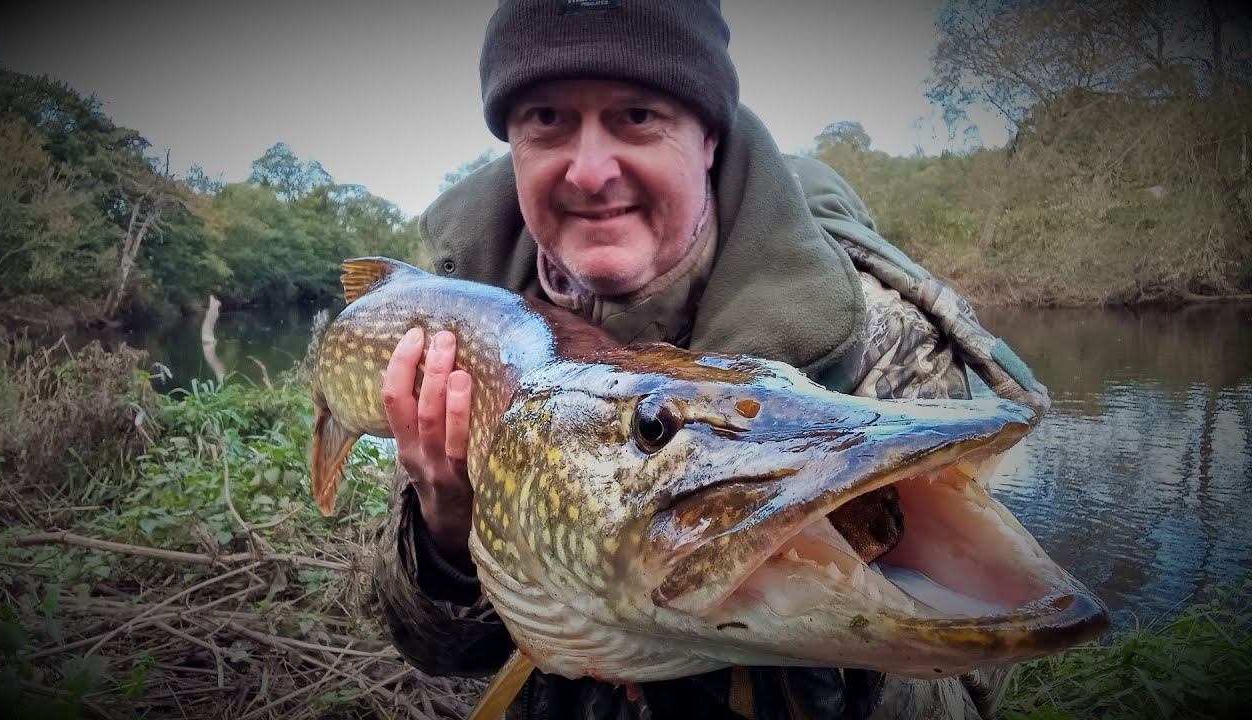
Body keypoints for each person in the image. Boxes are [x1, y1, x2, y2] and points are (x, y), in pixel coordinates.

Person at [370, 1, 1048, 718]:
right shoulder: (460, 337)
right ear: (512, 145)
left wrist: (801, 641)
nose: (592, 171)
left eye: (637, 115)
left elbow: (972, 690)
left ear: (709, 139)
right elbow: (433, 651)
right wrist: (444, 539)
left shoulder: (878, 338)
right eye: (546, 118)